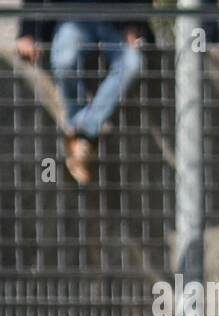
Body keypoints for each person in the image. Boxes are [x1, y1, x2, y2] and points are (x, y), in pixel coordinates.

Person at [17, 0, 152, 185]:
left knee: (132, 63)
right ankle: (85, 135)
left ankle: (83, 133)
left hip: (114, 19)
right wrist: (28, 31)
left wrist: (135, 25)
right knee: (65, 60)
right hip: (71, 15)